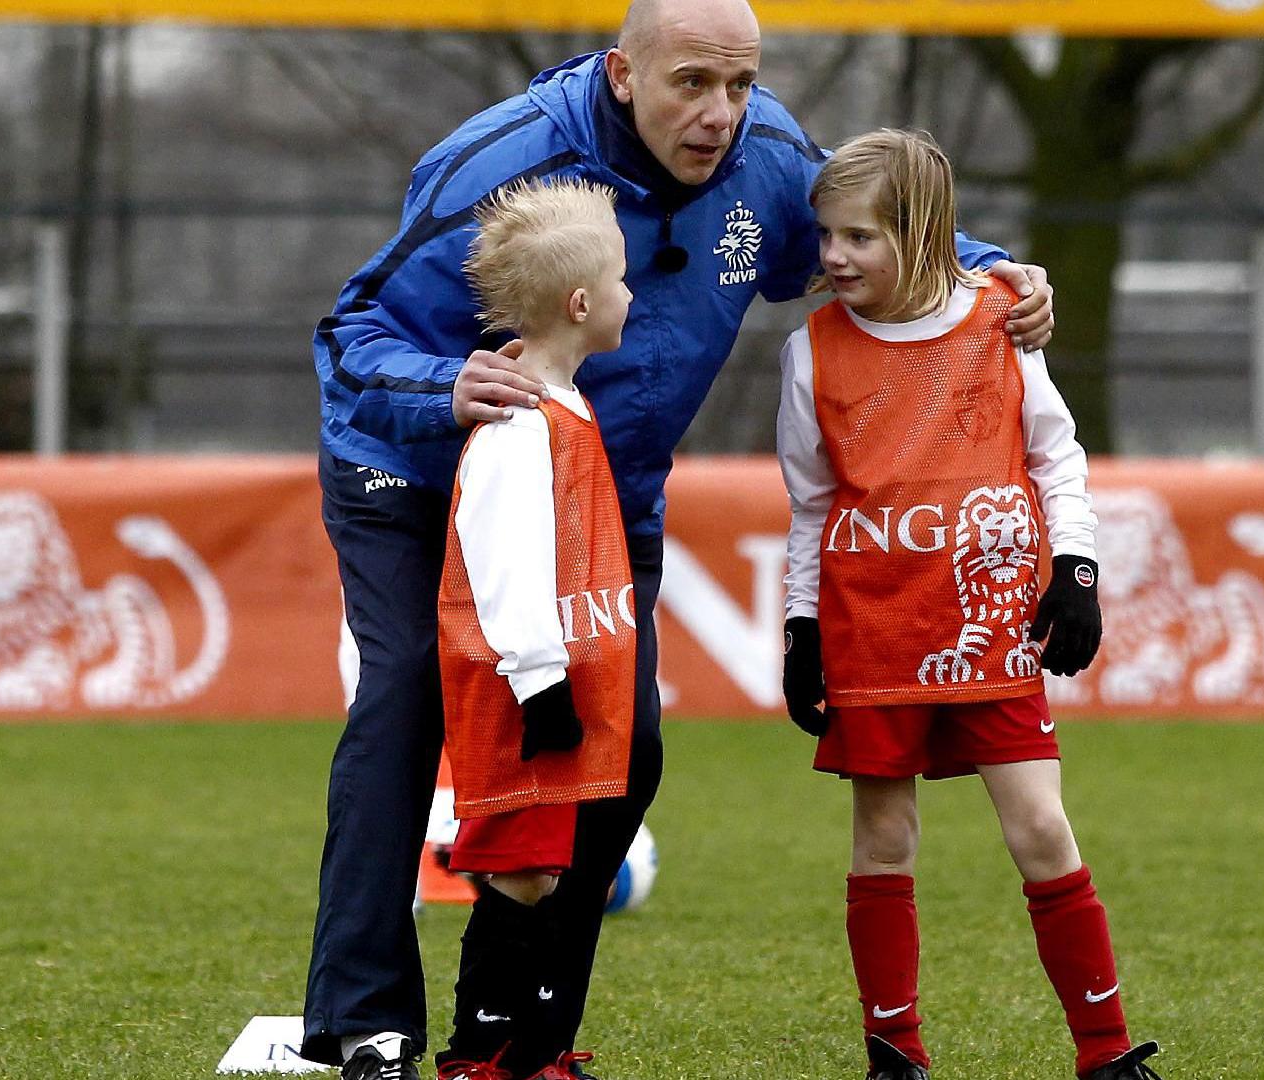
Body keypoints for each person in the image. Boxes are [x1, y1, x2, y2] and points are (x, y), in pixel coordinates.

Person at [304, 0, 1058, 1076]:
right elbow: (350, 335)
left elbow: (887, 232)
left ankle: (522, 1035)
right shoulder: (501, 165)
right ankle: (367, 1020)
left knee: (625, 755)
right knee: (408, 700)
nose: (721, 113)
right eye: (692, 84)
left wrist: (1000, 274)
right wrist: (444, 381)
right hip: (420, 470)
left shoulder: (771, 161)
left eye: (740, 85)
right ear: (622, 74)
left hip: (605, 496)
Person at [776, 129, 1157, 1080]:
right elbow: (811, 506)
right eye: (826, 234)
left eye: (859, 236)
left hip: (988, 632)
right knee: (885, 835)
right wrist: (800, 628)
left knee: (1040, 827)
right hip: (873, 629)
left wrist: (1074, 571)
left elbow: (1056, 458)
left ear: (922, 231)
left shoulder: (1001, 323)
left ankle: (1105, 1054)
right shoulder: (809, 351)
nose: (832, 255)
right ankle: (894, 1054)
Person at [434, 177, 639, 1080]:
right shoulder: (520, 424)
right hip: (526, 692)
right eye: (625, 281)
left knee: (546, 871)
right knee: (520, 871)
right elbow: (504, 559)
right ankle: (480, 1053)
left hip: (562, 687)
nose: (635, 297)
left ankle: (528, 1054)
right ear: (584, 303)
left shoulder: (568, 405)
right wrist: (540, 679)